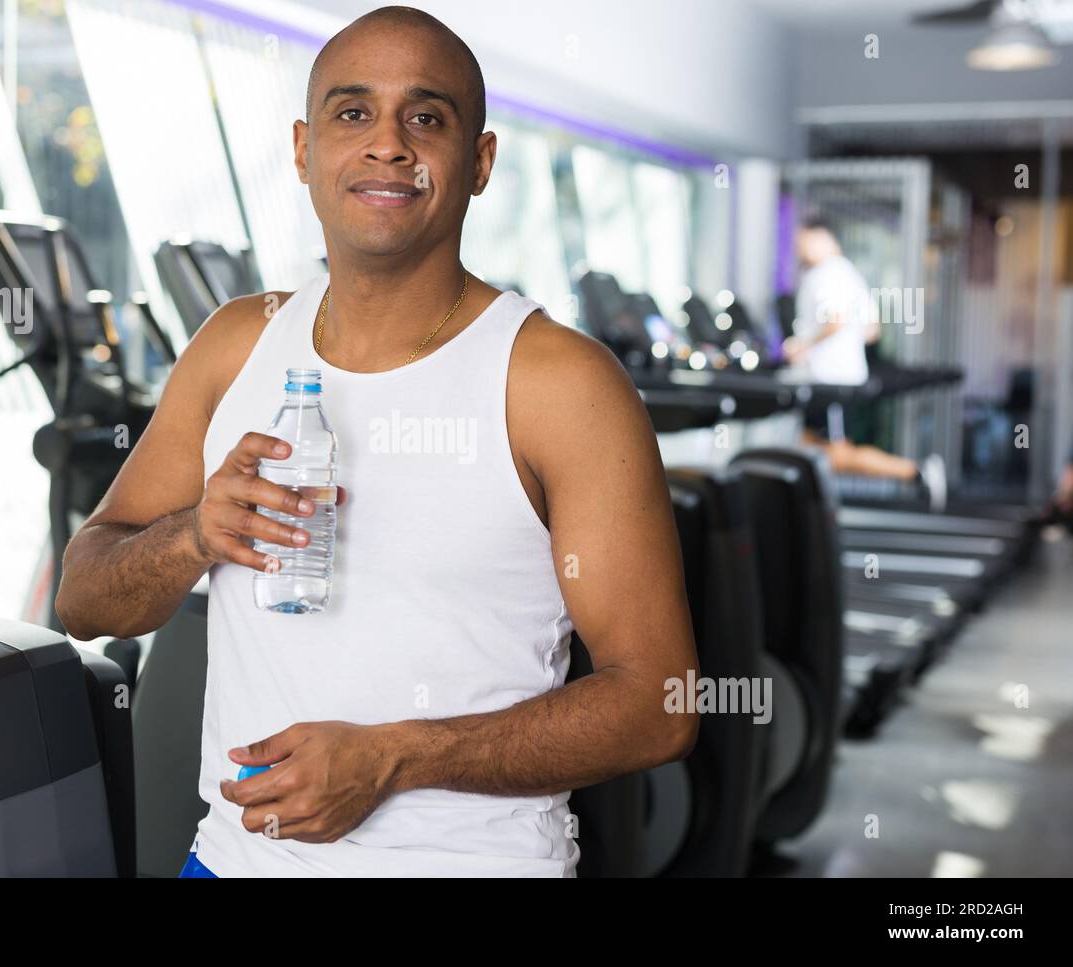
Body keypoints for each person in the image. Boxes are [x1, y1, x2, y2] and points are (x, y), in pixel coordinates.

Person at [53, 5, 698, 877]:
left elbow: (660, 701)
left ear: (479, 163)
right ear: (302, 150)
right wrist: (195, 535)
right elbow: (86, 598)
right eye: (352, 113)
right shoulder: (236, 344)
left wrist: (396, 755)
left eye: (425, 117)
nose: (387, 143)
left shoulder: (561, 385)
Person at [785, 216, 947, 511]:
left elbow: (836, 319)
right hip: (835, 376)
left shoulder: (826, 274)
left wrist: (802, 346)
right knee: (807, 447)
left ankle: (916, 472)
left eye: (802, 242)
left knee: (837, 455)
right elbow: (872, 329)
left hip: (829, 379)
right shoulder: (850, 274)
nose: (799, 250)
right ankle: (803, 510)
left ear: (820, 237)